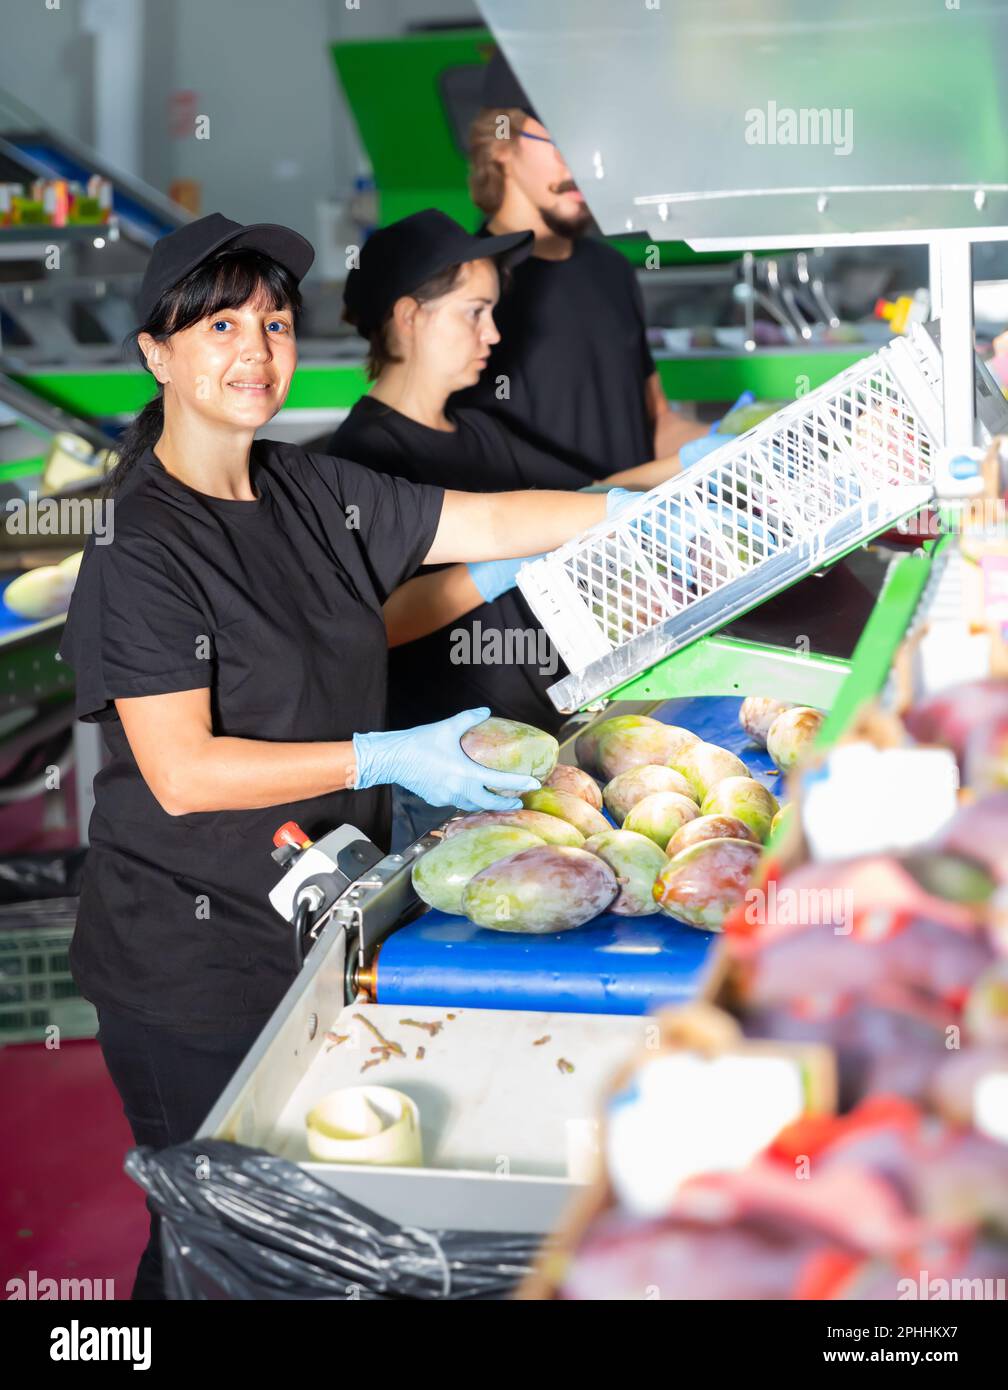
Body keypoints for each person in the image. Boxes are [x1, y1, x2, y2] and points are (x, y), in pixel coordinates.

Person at [58, 213, 631, 1299]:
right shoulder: (140, 546)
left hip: (315, 916)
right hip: (193, 954)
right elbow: (182, 772)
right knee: (212, 1235)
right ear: (156, 352)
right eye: (220, 324)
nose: (255, 350)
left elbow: (491, 518)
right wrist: (387, 753)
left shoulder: (309, 490)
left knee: (288, 1231)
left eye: (273, 323)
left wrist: (639, 510)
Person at [330, 209, 691, 844]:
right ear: (411, 317)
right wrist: (502, 564)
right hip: (457, 770)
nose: (492, 333)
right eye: (474, 312)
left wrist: (696, 462)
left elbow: (584, 496)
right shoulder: (360, 458)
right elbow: (374, 622)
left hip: (540, 735)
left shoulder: (477, 429)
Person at [453, 49, 710, 476]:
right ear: (500, 143)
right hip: (537, 542)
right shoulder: (466, 283)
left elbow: (657, 422)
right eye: (560, 139)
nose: (583, 164)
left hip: (632, 534)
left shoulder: (612, 270)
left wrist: (736, 442)